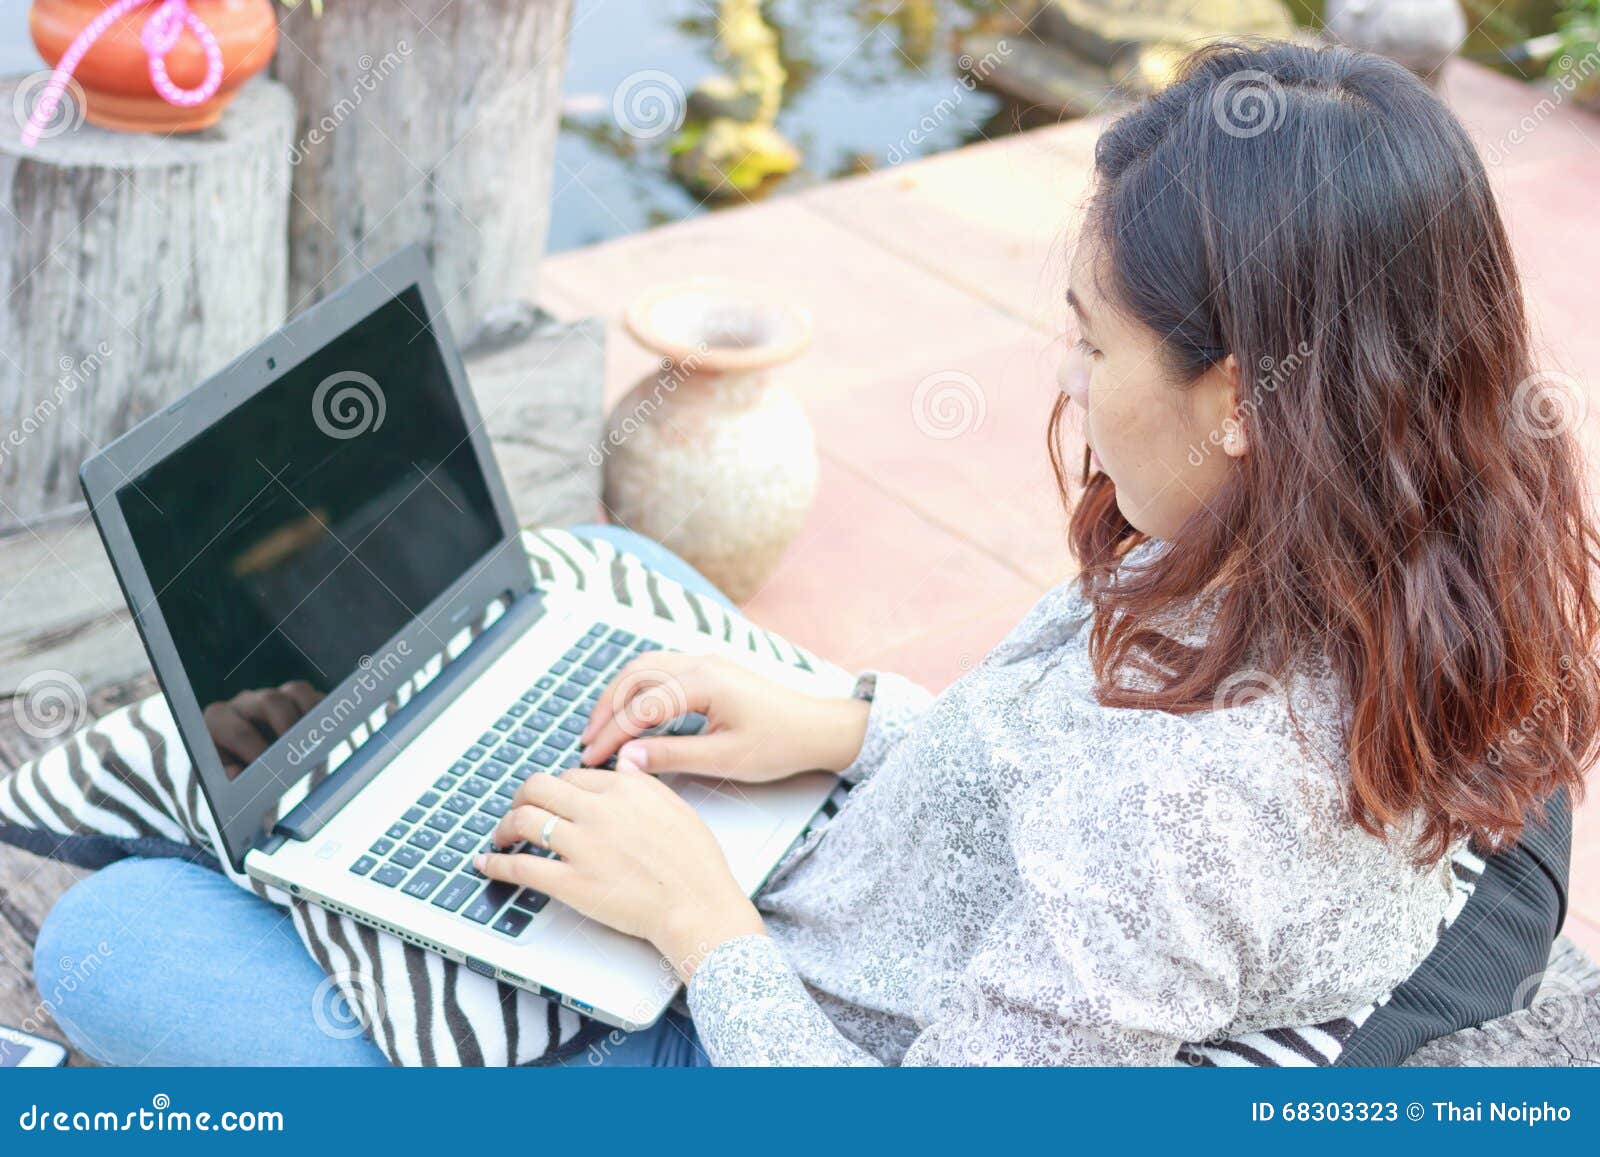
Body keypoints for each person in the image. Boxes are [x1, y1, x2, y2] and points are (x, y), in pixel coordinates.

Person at [39, 41, 1596, 1066]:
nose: (1065, 380)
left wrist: (696, 922)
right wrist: (843, 725)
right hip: (861, 877)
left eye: (1090, 339)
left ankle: (272, 838)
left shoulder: (1192, 803)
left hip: (763, 1037)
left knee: (113, 944)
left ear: (1245, 401)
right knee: (586, 566)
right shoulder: (1398, 547)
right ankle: (323, 820)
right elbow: (1049, 775)